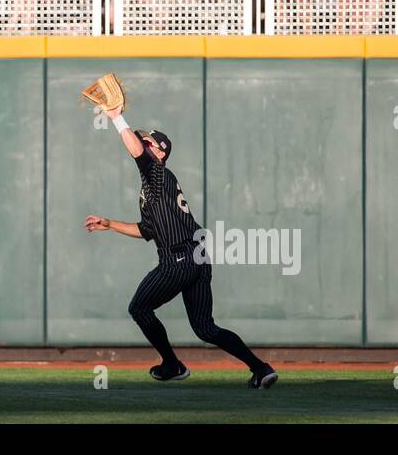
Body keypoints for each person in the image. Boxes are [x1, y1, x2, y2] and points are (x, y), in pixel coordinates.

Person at [85, 92, 278, 388]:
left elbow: (137, 153)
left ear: (160, 152)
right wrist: (110, 224)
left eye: (149, 142)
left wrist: (115, 118)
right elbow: (146, 230)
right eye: (144, 141)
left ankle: (172, 365)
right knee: (205, 328)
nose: (143, 144)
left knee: (139, 308)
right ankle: (261, 368)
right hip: (197, 257)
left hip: (178, 259)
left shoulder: (158, 174)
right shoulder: (152, 189)